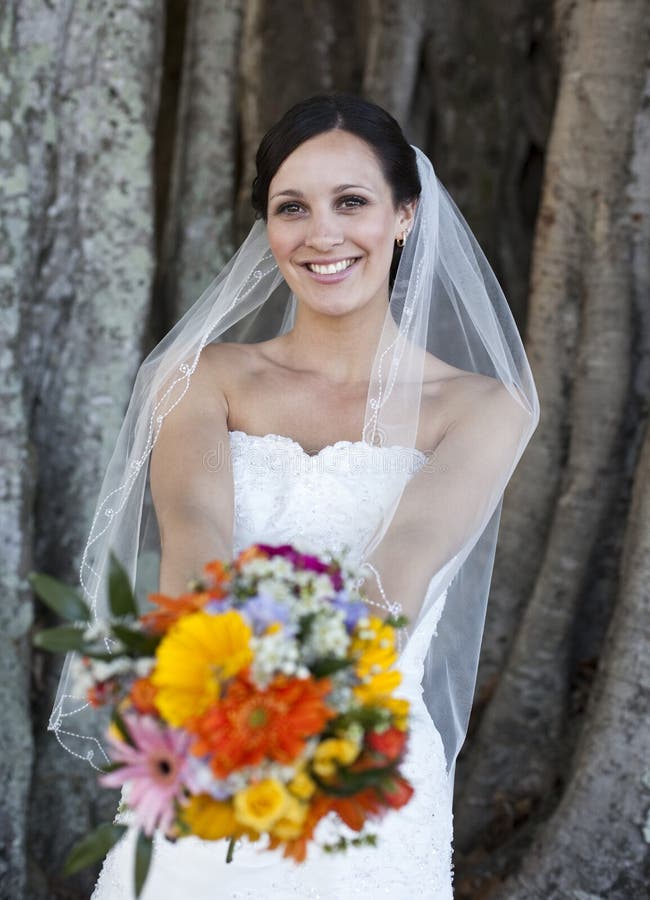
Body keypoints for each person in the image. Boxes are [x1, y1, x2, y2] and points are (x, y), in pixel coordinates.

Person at [52, 92, 538, 898]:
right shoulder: (204, 378)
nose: (323, 234)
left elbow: (403, 568)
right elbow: (194, 537)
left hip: (367, 756)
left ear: (406, 215)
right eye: (292, 208)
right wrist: (223, 708)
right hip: (214, 728)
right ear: (267, 229)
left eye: (352, 201)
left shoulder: (486, 408)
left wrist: (305, 717)